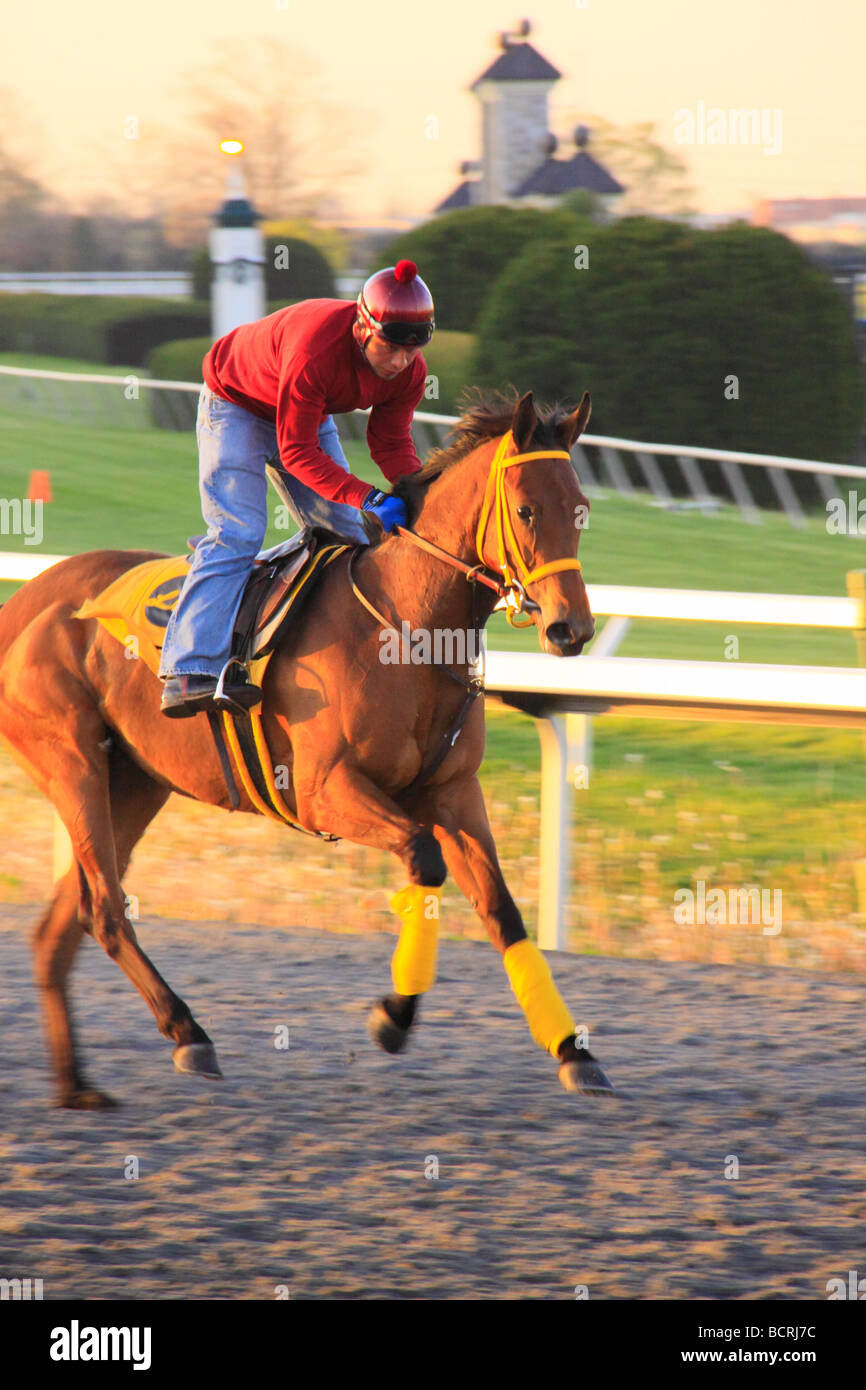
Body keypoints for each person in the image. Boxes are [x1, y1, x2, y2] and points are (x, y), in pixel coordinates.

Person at [158, 260, 434, 718]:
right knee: (239, 531)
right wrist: (368, 496)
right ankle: (189, 671)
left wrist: (417, 492)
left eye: (414, 350)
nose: (402, 361)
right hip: (235, 403)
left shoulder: (409, 371)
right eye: (392, 348)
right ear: (364, 328)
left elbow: (390, 442)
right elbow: (298, 452)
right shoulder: (316, 350)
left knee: (351, 533)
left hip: (305, 411)